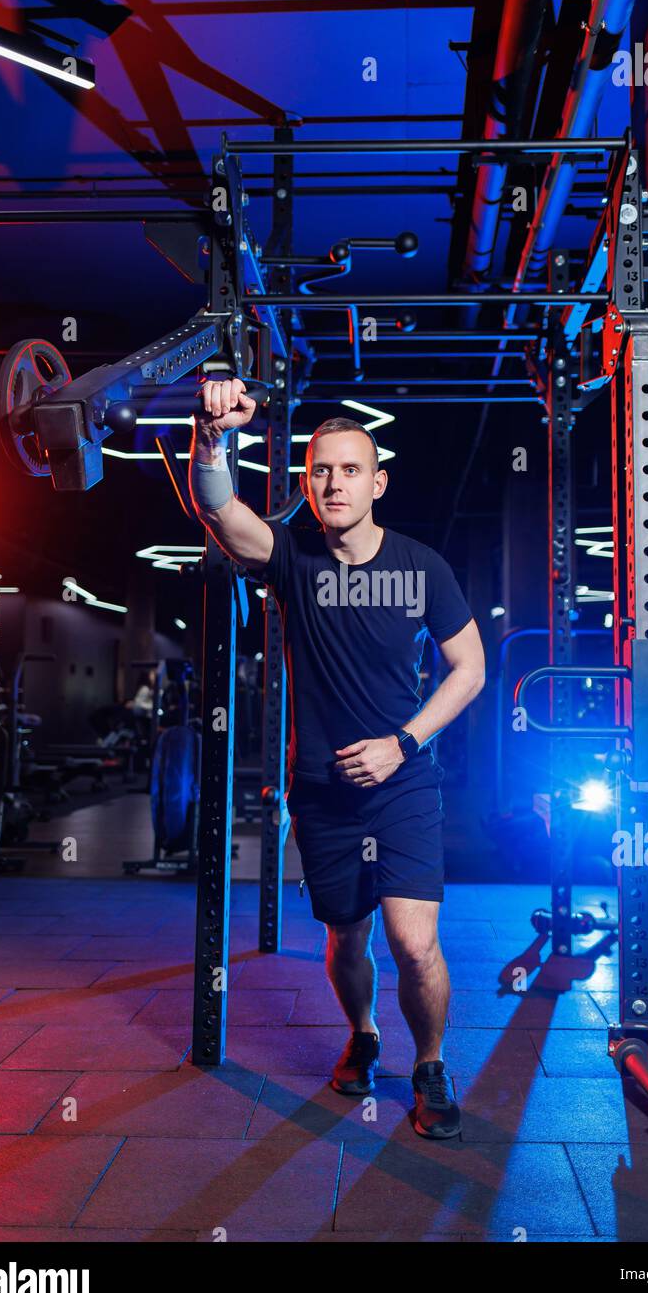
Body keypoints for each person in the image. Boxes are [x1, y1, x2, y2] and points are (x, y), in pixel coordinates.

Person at [189, 378, 485, 1139]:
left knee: (413, 942)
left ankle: (428, 1065)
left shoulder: (422, 568)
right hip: (320, 791)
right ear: (306, 483)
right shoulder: (292, 559)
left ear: (377, 482)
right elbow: (218, 508)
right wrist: (213, 435)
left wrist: (403, 744)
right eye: (320, 470)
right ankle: (364, 1032)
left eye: (351, 470)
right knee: (345, 939)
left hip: (404, 785)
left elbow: (470, 670)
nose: (334, 483)